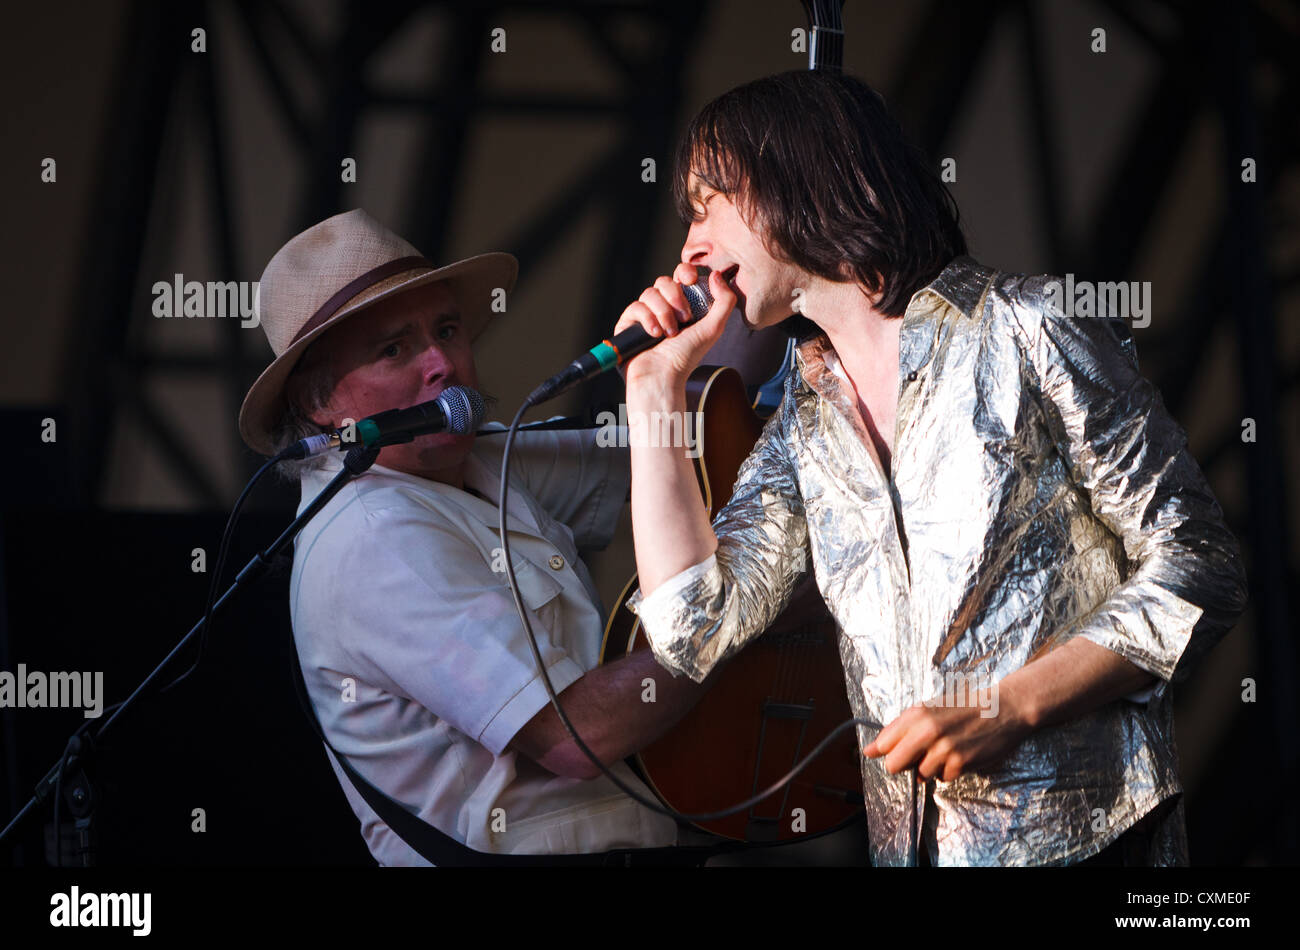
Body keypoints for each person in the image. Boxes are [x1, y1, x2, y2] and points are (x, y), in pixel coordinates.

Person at [615, 70, 1249, 866]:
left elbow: (1200, 565)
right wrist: (652, 390)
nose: (690, 245)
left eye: (712, 202)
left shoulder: (1026, 326)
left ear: (809, 175)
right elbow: (690, 634)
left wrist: (1009, 706)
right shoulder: (800, 430)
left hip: (1089, 844)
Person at [238, 209, 706, 864]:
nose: (442, 364)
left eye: (448, 330)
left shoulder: (474, 459)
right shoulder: (376, 537)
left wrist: (714, 309)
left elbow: (696, 445)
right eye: (394, 349)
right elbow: (578, 737)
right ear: (323, 405)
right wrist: (735, 615)